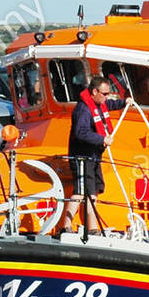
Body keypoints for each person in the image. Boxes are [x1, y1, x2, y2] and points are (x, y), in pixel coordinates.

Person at [61, 74, 129, 234]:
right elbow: (81, 132)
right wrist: (102, 138)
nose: (107, 97)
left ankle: (92, 228)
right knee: (80, 192)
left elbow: (110, 104)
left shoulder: (99, 104)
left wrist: (124, 102)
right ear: (94, 92)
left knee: (93, 191)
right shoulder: (83, 109)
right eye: (104, 94)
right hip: (82, 157)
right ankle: (66, 226)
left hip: (93, 157)